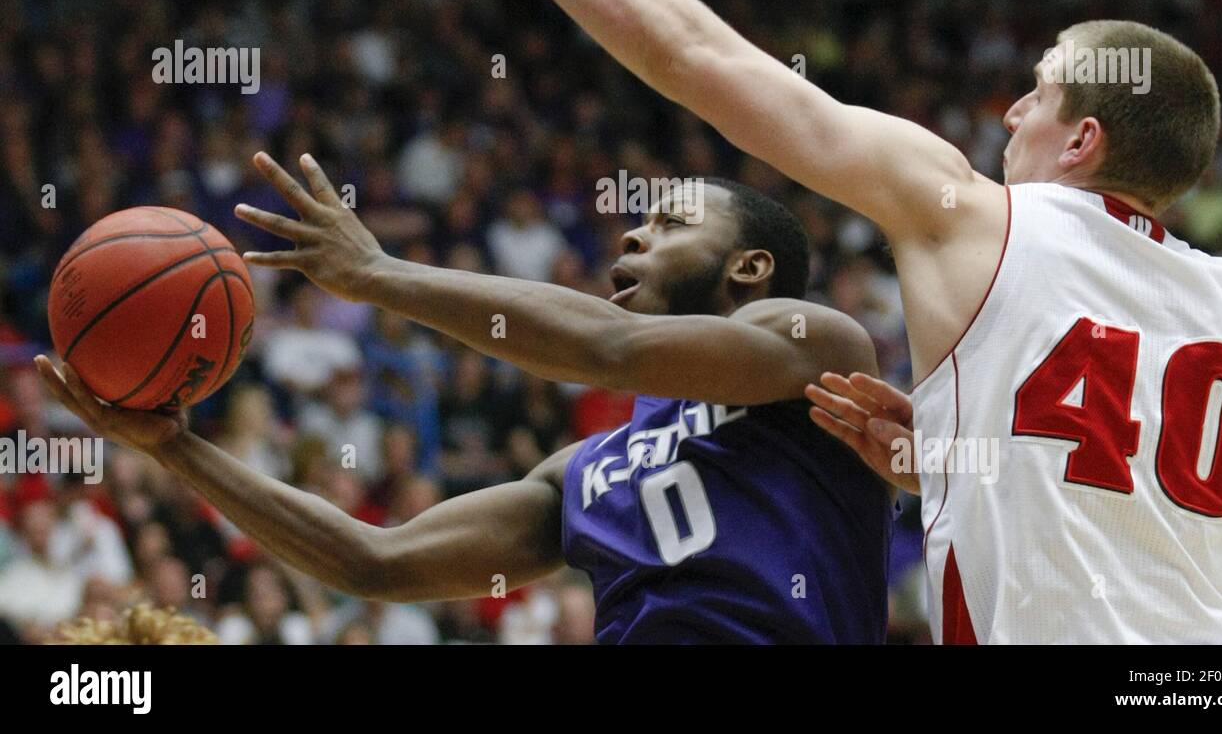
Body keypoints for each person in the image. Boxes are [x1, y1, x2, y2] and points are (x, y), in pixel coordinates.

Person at [333, 0, 1222, 643]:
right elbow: (1122, 506)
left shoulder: (978, 216)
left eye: (1038, 94)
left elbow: (699, 58)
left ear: (1082, 141)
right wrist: (949, 464)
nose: (1012, 111)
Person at [37, 152, 892, 644]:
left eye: (672, 224)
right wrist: (169, 445)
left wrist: (380, 275)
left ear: (749, 268)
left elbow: (607, 347)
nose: (634, 231)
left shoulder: (815, 352)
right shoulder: (587, 472)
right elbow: (375, 563)